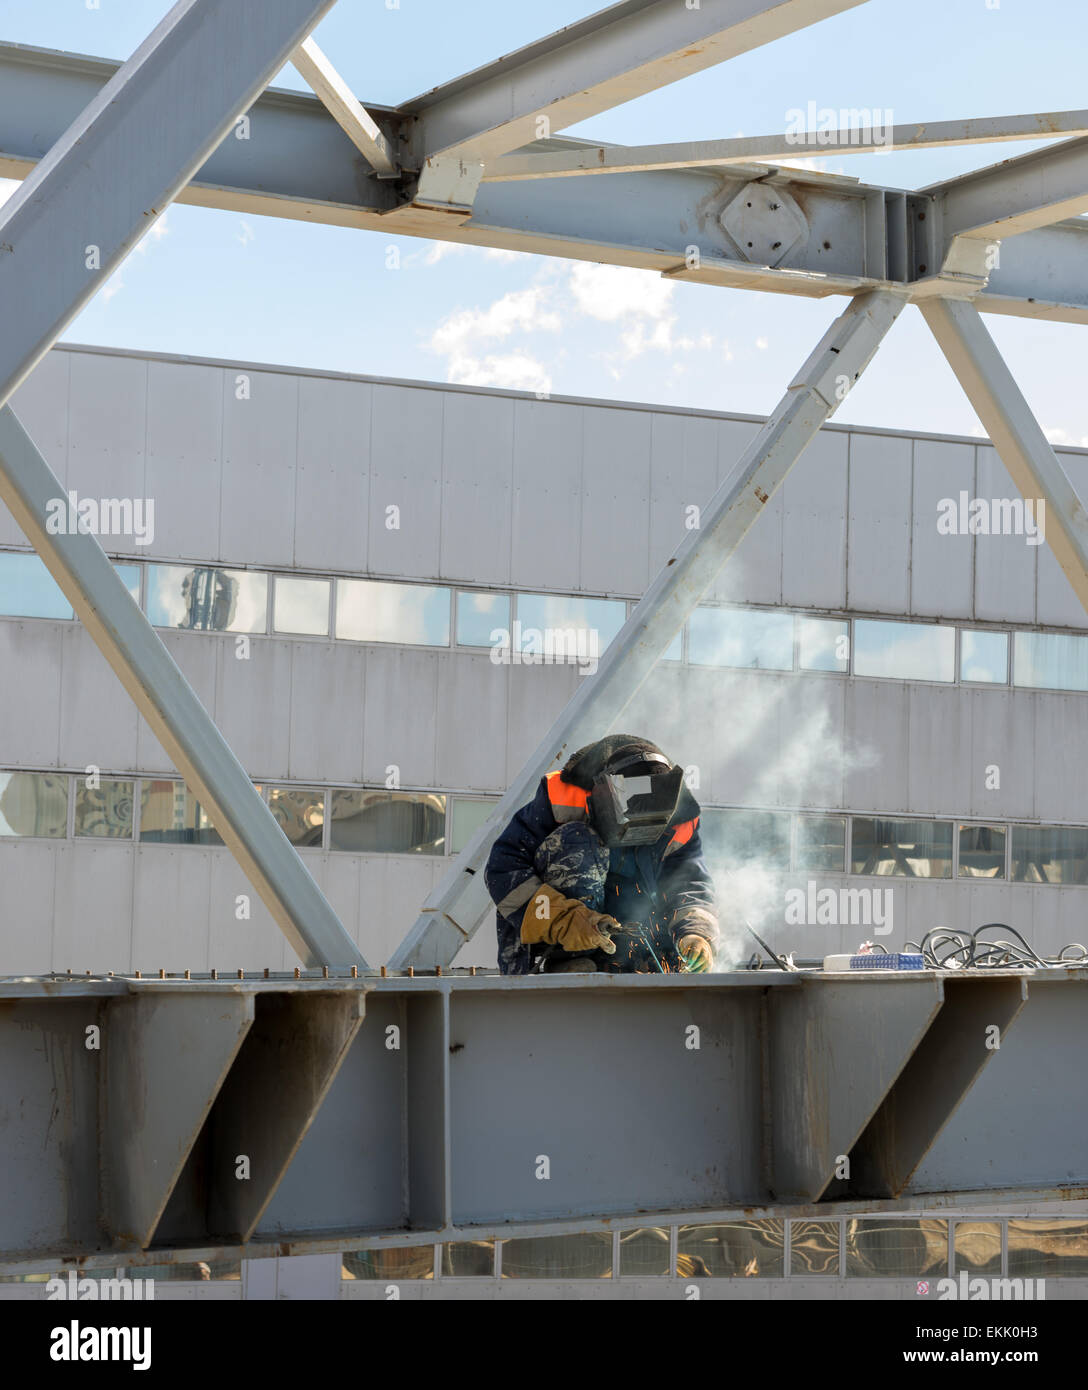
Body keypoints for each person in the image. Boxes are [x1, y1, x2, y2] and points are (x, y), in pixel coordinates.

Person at [485, 734, 718, 974]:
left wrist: (696, 933)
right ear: (604, 794)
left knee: (673, 948)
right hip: (550, 943)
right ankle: (565, 958)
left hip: (623, 942)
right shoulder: (562, 797)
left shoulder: (679, 818)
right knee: (578, 840)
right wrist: (564, 920)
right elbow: (502, 871)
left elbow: (690, 885)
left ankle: (636, 960)